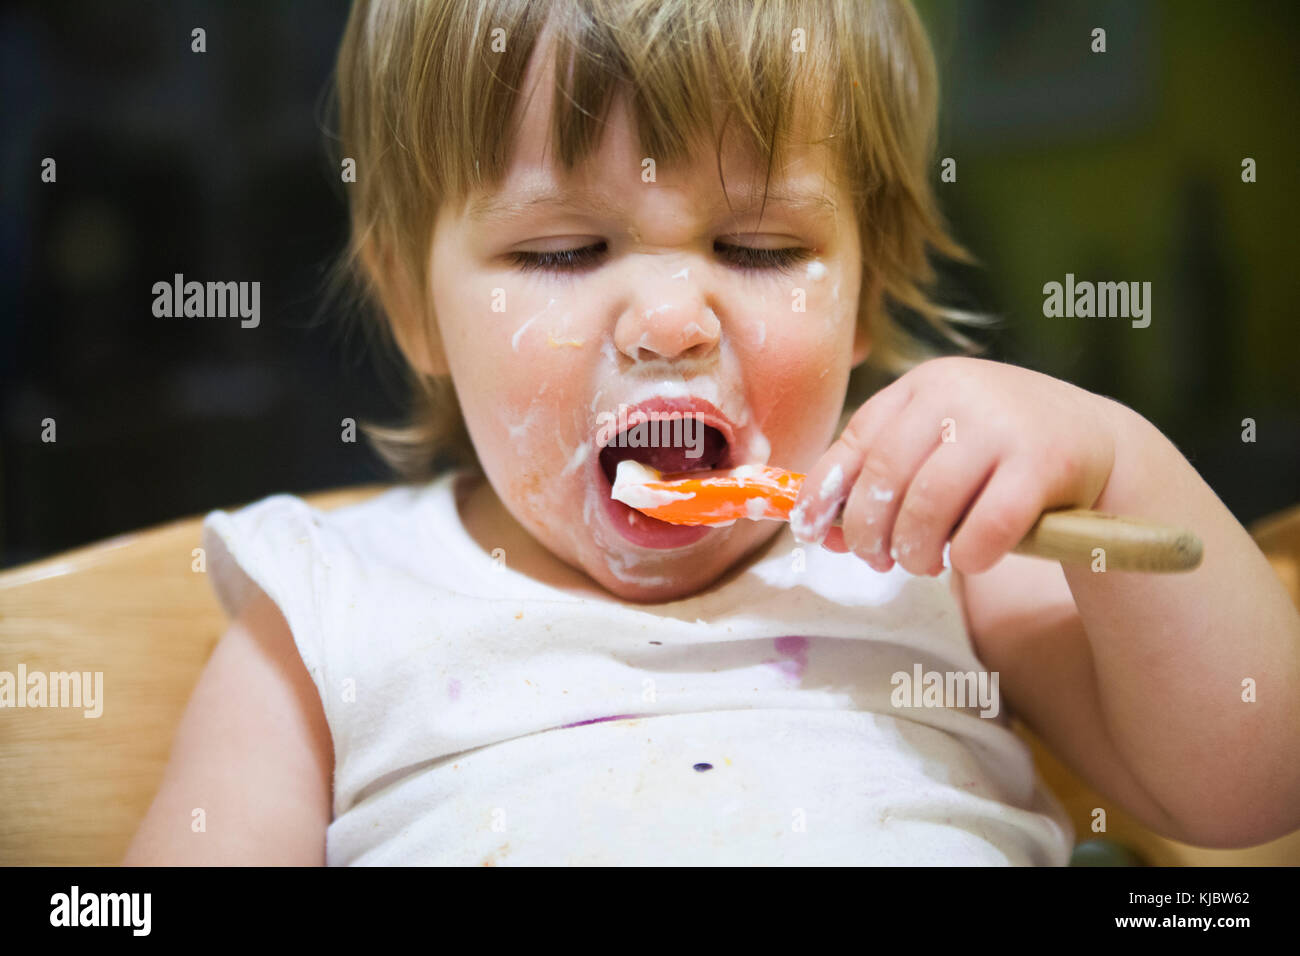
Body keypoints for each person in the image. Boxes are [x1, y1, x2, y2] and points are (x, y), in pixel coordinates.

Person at [124, 0, 1300, 865]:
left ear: (864, 286)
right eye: (560, 251)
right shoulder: (330, 605)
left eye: (759, 249)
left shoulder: (939, 557)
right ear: (411, 305)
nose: (672, 321)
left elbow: (1251, 779)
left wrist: (1115, 457)